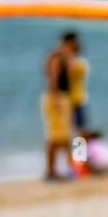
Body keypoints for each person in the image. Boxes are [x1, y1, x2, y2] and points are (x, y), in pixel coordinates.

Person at [41, 32, 75, 181]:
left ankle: (73, 166)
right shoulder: (58, 56)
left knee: (68, 136)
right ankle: (55, 170)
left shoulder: (68, 57)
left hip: (70, 98)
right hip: (61, 98)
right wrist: (55, 98)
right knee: (57, 137)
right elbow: (53, 79)